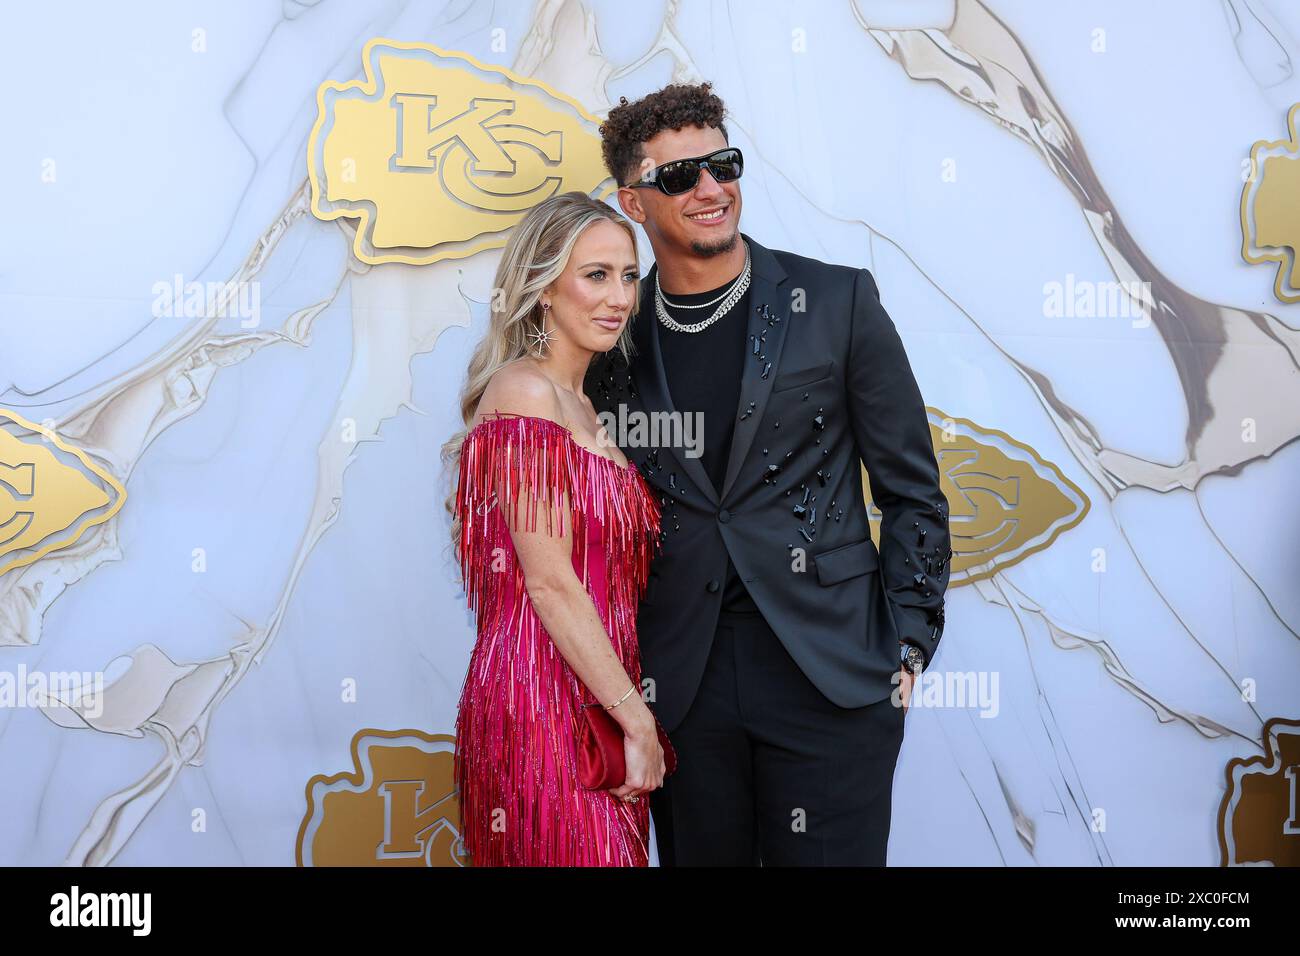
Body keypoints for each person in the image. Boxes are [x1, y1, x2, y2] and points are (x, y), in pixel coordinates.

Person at [587, 82, 952, 865]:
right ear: (634, 202)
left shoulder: (834, 301)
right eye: (680, 176)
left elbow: (912, 487)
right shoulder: (615, 346)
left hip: (832, 673)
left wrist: (909, 647)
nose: (711, 188)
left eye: (723, 163)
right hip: (682, 684)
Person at [442, 192, 667, 866]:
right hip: (541, 699)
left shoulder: (587, 409)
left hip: (598, 692)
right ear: (543, 287)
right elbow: (548, 584)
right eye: (594, 274)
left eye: (628, 275)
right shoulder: (524, 393)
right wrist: (638, 719)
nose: (619, 296)